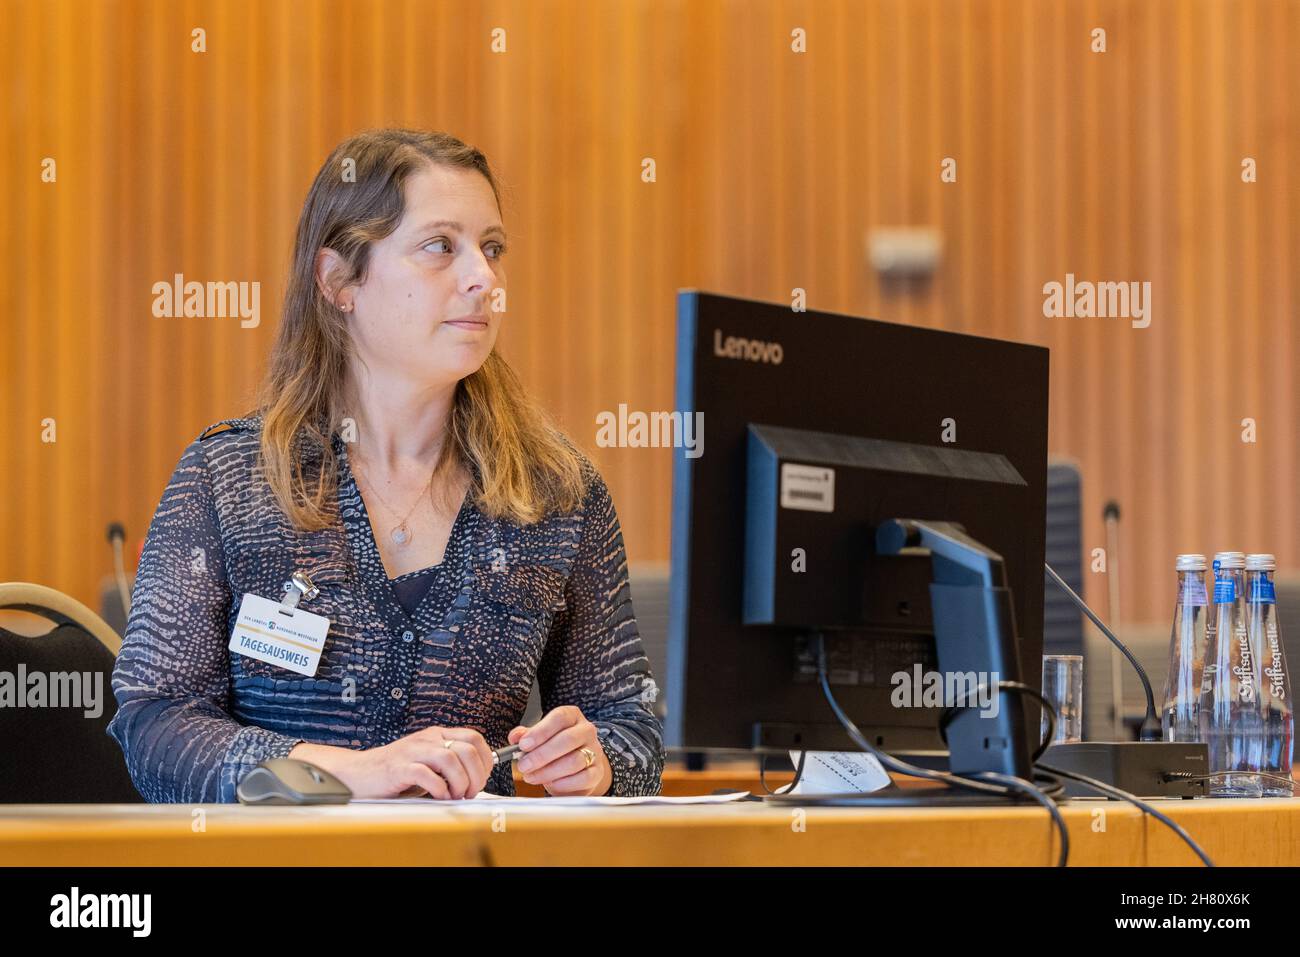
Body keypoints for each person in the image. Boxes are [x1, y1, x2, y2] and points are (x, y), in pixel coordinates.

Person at [107, 128, 665, 803]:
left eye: (491, 249)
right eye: (440, 247)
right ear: (340, 279)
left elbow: (632, 729)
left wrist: (596, 760)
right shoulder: (228, 478)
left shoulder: (557, 493)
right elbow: (154, 724)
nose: (483, 278)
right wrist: (338, 771)